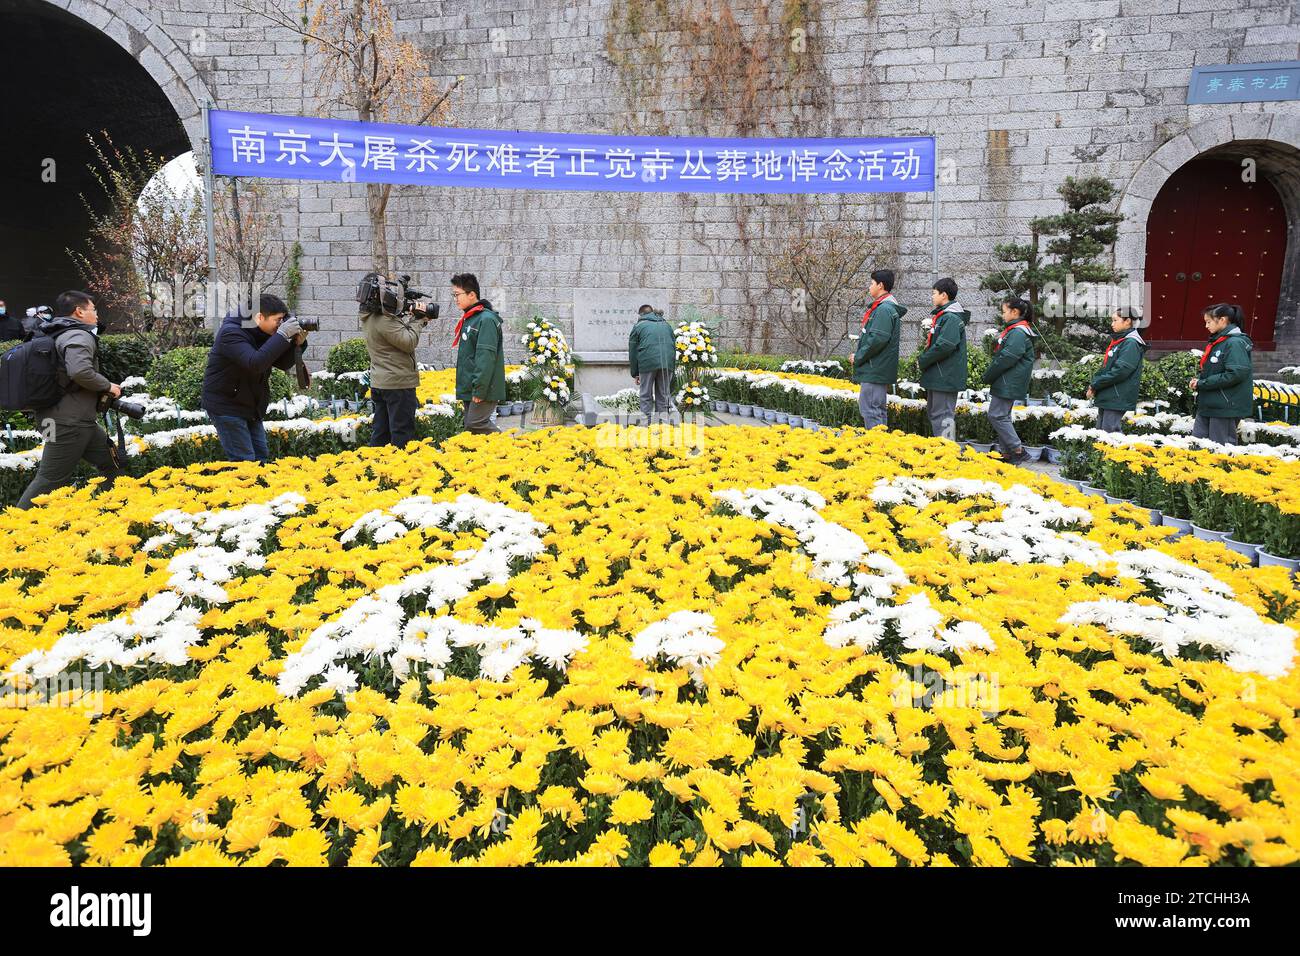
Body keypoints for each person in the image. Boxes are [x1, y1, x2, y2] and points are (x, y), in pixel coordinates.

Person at [17, 291, 123, 509]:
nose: (96, 314)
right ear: (79, 311)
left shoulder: (54, 332)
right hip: (69, 423)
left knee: (112, 464)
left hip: (56, 417)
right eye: (93, 309)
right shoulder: (78, 335)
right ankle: (11, 528)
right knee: (49, 479)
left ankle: (113, 507)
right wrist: (107, 386)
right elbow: (80, 371)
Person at [201, 293, 304, 463]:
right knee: (245, 463)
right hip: (227, 406)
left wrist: (297, 343)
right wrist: (282, 335)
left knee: (261, 458)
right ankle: (243, 489)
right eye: (278, 320)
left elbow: (282, 363)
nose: (280, 325)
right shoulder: (231, 333)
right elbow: (255, 363)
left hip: (249, 406)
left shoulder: (261, 331)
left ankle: (261, 489)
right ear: (259, 317)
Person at [361, 276, 431, 448]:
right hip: (397, 385)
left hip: (382, 382)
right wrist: (419, 319)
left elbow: (395, 337)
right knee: (402, 433)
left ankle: (376, 466)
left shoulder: (370, 317)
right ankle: (400, 469)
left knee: (381, 432)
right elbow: (408, 342)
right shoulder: (384, 320)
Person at [981, 296, 1038, 465]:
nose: (1002, 315)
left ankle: (1018, 450)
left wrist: (988, 375)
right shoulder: (1017, 330)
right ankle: (1007, 454)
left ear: (1015, 312)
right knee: (1002, 416)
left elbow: (1007, 358)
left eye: (1004, 311)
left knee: (996, 415)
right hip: (1008, 381)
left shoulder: (1018, 332)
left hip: (1008, 381)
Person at [1189, 303, 1253, 445]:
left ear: (1222, 320)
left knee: (1220, 449)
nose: (1206, 326)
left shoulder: (1234, 343)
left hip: (1225, 406)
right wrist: (1200, 381)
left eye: (1209, 322)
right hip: (1210, 403)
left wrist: (1203, 383)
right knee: (1197, 445)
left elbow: (1235, 373)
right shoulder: (1219, 341)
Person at [451, 273, 506, 434]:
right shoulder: (471, 318)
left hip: (484, 387)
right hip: (471, 385)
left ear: (472, 294)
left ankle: (508, 446)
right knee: (471, 430)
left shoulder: (486, 319)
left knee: (475, 424)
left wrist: (480, 389)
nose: (455, 299)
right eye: (453, 295)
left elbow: (485, 357)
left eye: (457, 295)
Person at [852, 268, 906, 429]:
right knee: (876, 410)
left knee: (870, 410)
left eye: (871, 283)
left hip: (875, 369)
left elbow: (877, 339)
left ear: (880, 285)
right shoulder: (884, 308)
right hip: (876, 368)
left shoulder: (884, 309)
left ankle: (876, 448)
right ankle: (880, 446)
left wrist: (858, 356)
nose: (869, 287)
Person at [917, 277, 969, 441]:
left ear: (944, 295)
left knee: (943, 416)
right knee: (936, 413)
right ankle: (942, 452)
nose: (932, 297)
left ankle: (948, 454)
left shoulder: (951, 318)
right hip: (939, 375)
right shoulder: (943, 316)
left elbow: (945, 346)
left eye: (934, 293)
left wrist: (923, 360)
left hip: (945, 376)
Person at [1087, 306, 1147, 433]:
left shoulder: (1130, 343)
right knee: (1101, 432)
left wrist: (1096, 384)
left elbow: (1120, 371)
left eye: (1115, 320)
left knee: (1110, 433)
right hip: (1109, 394)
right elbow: (1107, 368)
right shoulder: (1120, 341)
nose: (1112, 324)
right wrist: (1095, 385)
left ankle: (1119, 454)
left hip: (1117, 396)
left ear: (1127, 321)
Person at [629, 304, 675, 421]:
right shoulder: (666, 325)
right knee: (664, 395)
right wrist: (671, 367)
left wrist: (635, 373)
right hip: (666, 363)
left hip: (647, 363)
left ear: (641, 315)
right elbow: (673, 347)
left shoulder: (639, 326)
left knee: (645, 395)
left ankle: (646, 425)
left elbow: (633, 352)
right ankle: (663, 425)